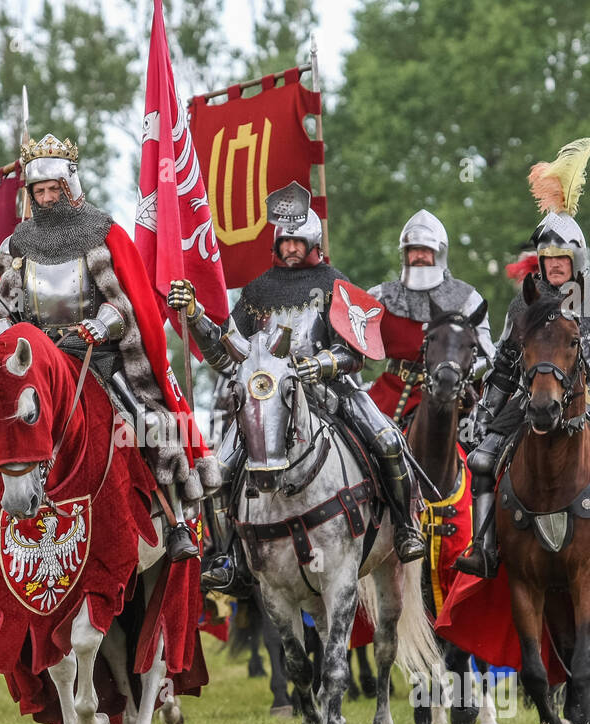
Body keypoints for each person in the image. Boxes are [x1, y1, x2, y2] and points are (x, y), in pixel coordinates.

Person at [0, 132, 216, 583]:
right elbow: (0, 310)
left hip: (95, 360)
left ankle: (176, 519)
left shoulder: (102, 234)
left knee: (149, 418)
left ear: (69, 186)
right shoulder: (18, 245)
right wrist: (14, 338)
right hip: (34, 367)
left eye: (52, 189)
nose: (45, 198)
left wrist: (100, 325)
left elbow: (128, 303)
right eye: (38, 191)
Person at [170, 181, 426, 593]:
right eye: (284, 241)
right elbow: (228, 354)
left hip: (333, 394)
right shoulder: (256, 292)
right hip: (268, 402)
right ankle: (226, 555)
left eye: (297, 241)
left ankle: (406, 529)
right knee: (217, 471)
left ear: (313, 243)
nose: (290, 248)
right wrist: (197, 315)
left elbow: (356, 354)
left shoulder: (334, 284)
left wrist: (321, 365)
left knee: (388, 441)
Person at [457, 138, 590, 578]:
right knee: (482, 458)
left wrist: (585, 368)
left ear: (577, 258)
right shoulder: (526, 302)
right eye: (548, 257)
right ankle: (483, 546)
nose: (555, 265)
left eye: (563, 258)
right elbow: (502, 364)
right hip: (533, 392)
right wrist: (485, 410)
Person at [365, 209, 494, 424]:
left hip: (448, 394)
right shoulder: (380, 296)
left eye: (426, 250)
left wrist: (454, 375)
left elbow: (487, 356)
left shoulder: (467, 298)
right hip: (390, 392)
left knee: (472, 449)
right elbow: (354, 350)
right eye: (413, 250)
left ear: (439, 253)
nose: (419, 256)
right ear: (404, 254)